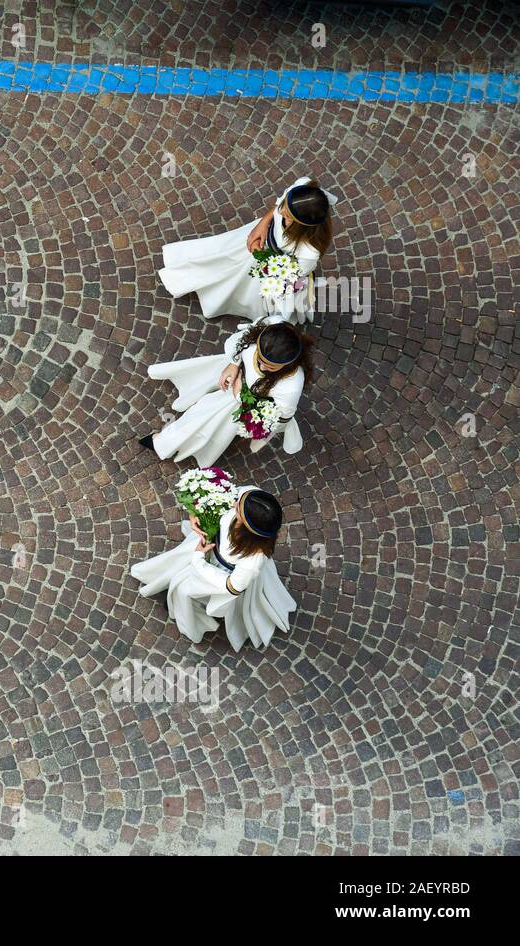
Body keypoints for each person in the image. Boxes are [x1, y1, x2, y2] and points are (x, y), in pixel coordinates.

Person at [130, 486, 296, 651]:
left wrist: (199, 560)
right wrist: (195, 514)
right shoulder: (250, 498)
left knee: (182, 588)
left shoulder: (252, 561)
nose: (234, 503)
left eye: (238, 508)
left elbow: (233, 587)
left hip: (218, 576)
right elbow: (217, 496)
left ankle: (193, 619)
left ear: (247, 527)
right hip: (206, 549)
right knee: (175, 567)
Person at [158, 176, 336, 323]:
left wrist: (260, 256)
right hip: (258, 238)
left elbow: (287, 277)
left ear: (302, 227)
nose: (281, 213)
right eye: (284, 208)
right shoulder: (301, 189)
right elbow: (277, 206)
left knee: (235, 284)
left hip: (267, 265)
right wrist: (262, 225)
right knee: (218, 256)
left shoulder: (308, 253)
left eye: (288, 216)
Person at [139, 319, 313, 466]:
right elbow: (241, 341)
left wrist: (239, 394)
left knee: (204, 420)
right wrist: (234, 364)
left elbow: (279, 416)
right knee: (201, 403)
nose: (261, 366)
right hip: (231, 379)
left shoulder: (291, 386)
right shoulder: (269, 326)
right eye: (260, 359)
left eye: (270, 367)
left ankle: (164, 443)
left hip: (241, 405)